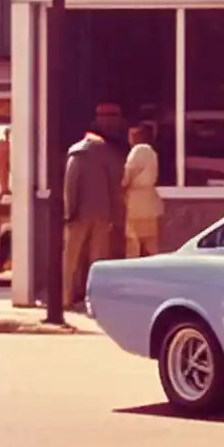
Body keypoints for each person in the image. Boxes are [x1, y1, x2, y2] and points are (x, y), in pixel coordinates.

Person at [63, 104, 126, 308]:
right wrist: (115, 216)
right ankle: (94, 300)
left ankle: (65, 297)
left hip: (78, 214)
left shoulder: (76, 154)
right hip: (102, 214)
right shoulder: (108, 154)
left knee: (71, 260)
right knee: (97, 260)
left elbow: (70, 185)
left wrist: (69, 212)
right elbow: (115, 186)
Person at [122, 124, 164, 258]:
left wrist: (122, 186)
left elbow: (128, 174)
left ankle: (132, 273)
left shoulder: (138, 151)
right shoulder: (152, 153)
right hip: (150, 204)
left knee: (133, 243)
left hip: (136, 206)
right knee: (151, 243)